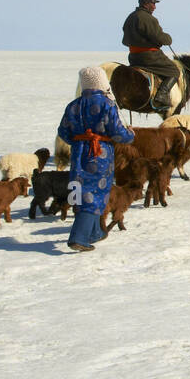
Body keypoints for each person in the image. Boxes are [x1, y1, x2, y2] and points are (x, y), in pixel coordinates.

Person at [58, 67, 134, 252]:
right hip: (100, 154)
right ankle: (79, 237)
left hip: (78, 153)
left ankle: (94, 233)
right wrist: (129, 135)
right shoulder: (107, 104)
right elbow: (117, 132)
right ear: (102, 83)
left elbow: (63, 132)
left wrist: (79, 141)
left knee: (81, 192)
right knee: (95, 193)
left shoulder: (73, 105)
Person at [122, 0, 178, 113]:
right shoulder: (148, 18)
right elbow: (159, 37)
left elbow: (124, 40)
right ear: (146, 4)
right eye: (153, 3)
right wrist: (168, 38)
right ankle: (161, 96)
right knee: (174, 71)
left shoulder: (130, 17)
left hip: (133, 57)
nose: (155, 7)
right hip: (149, 57)